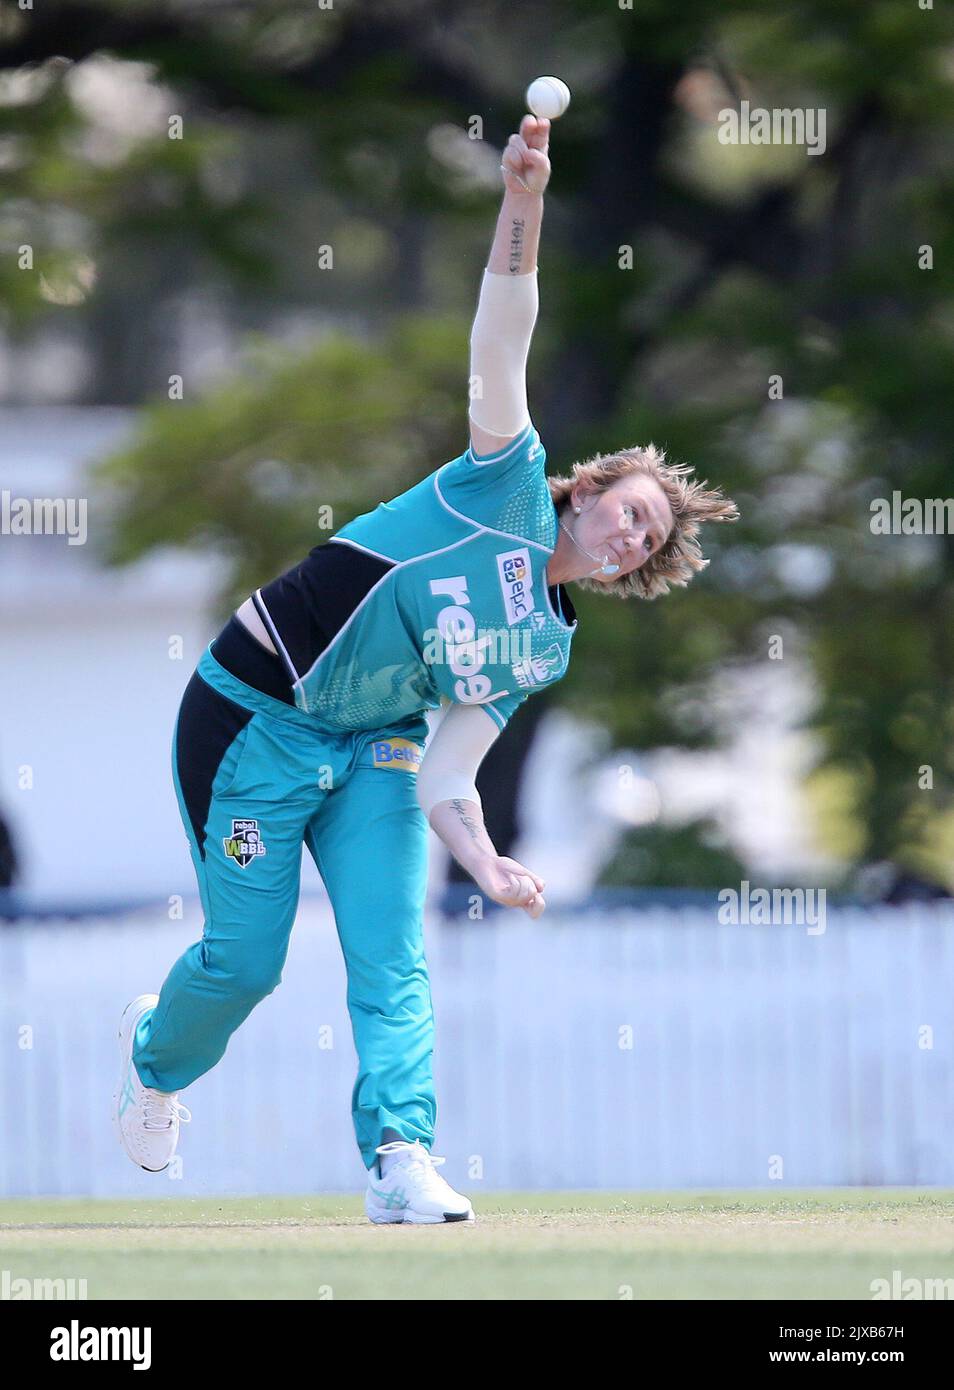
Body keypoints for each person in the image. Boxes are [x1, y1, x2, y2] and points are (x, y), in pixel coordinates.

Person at [113, 114, 738, 1224]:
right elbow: (503, 337)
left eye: (650, 540)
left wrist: (490, 864)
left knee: (393, 958)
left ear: (637, 567)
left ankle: (401, 1159)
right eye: (630, 510)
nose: (634, 534)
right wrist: (525, 199)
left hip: (377, 754)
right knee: (245, 964)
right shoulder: (502, 479)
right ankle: (158, 1067)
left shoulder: (544, 647)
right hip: (253, 717)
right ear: (587, 494)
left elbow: (452, 774)